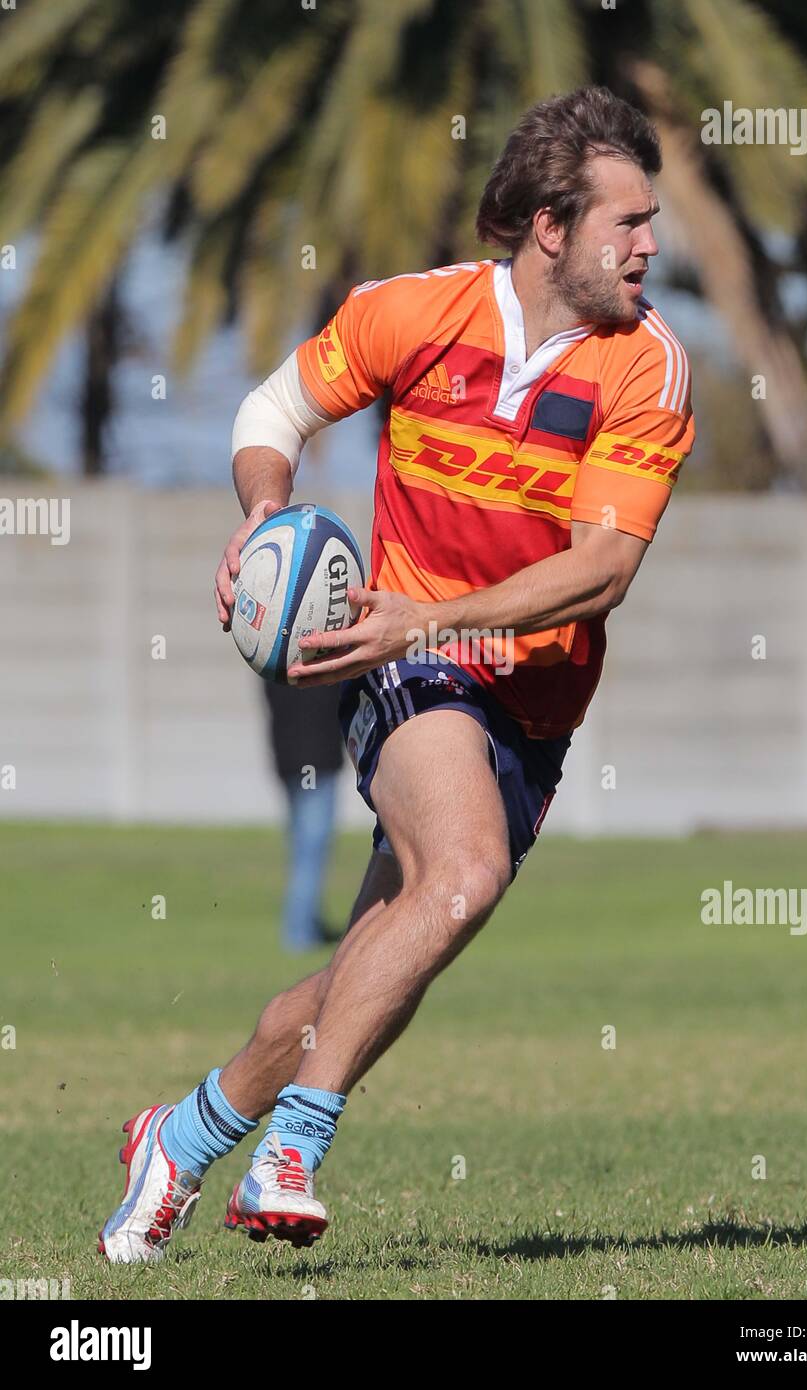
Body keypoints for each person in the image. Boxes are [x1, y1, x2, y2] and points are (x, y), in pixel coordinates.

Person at [99, 86, 695, 1262]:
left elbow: (602, 571)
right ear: (549, 226)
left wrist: (434, 619)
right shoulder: (410, 315)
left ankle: (181, 1133)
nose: (651, 244)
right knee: (462, 868)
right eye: (627, 221)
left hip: (526, 705)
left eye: (652, 219)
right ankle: (293, 1148)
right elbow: (275, 408)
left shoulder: (649, 366)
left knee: (370, 969)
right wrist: (267, 517)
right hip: (405, 669)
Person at [262, 680, 343, 951]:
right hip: (317, 764)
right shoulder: (320, 673)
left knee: (302, 847)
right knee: (310, 852)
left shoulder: (275, 669)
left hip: (288, 762)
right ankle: (299, 934)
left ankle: (311, 923)